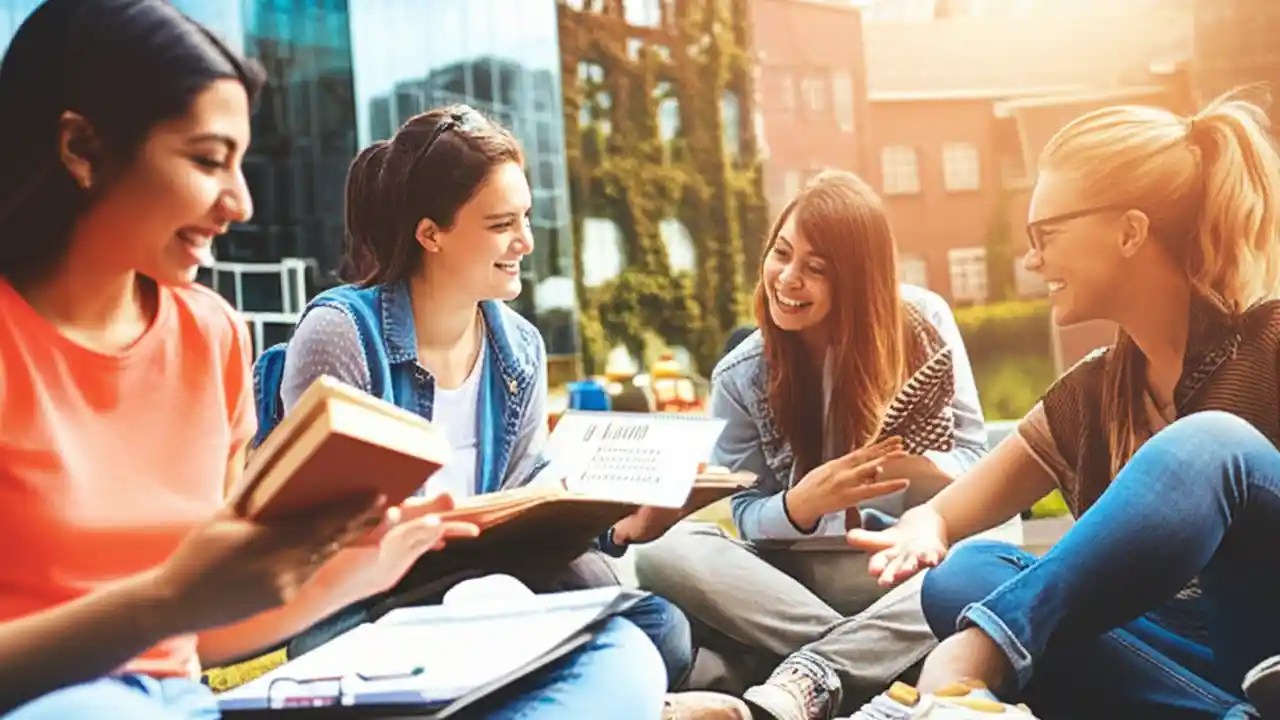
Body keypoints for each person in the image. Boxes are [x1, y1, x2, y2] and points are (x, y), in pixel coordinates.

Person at [0, 2, 667, 718]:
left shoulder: (211, 333)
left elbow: (211, 631)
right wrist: (159, 605)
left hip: (185, 702)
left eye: (241, 165)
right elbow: (174, 610)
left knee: (619, 654)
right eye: (205, 160)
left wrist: (355, 573)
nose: (241, 203)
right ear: (80, 148)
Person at [848, 91, 1280, 719]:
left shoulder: (1269, 347)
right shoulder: (1092, 392)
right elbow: (947, 518)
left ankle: (982, 657)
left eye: (1045, 233)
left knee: (1212, 446)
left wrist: (987, 643)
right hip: (1192, 667)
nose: (1031, 257)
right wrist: (924, 524)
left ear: (1130, 231)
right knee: (966, 577)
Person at [257, 104, 692, 688]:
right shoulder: (342, 333)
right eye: (499, 225)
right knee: (355, 652)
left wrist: (620, 525)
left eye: (526, 219)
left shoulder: (520, 349)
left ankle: (502, 665)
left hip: (492, 577)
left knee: (663, 629)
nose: (525, 242)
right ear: (430, 233)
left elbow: (527, 509)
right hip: (372, 589)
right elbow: (316, 532)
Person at [635, 170, 989, 720]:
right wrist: (805, 503)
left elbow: (977, 464)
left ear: (858, 278)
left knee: (983, 562)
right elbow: (745, 512)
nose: (787, 278)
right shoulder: (741, 375)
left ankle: (790, 685)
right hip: (798, 579)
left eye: (816, 268)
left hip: (906, 568)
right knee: (663, 554)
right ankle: (887, 668)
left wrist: (912, 465)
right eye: (782, 253)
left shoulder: (924, 325)